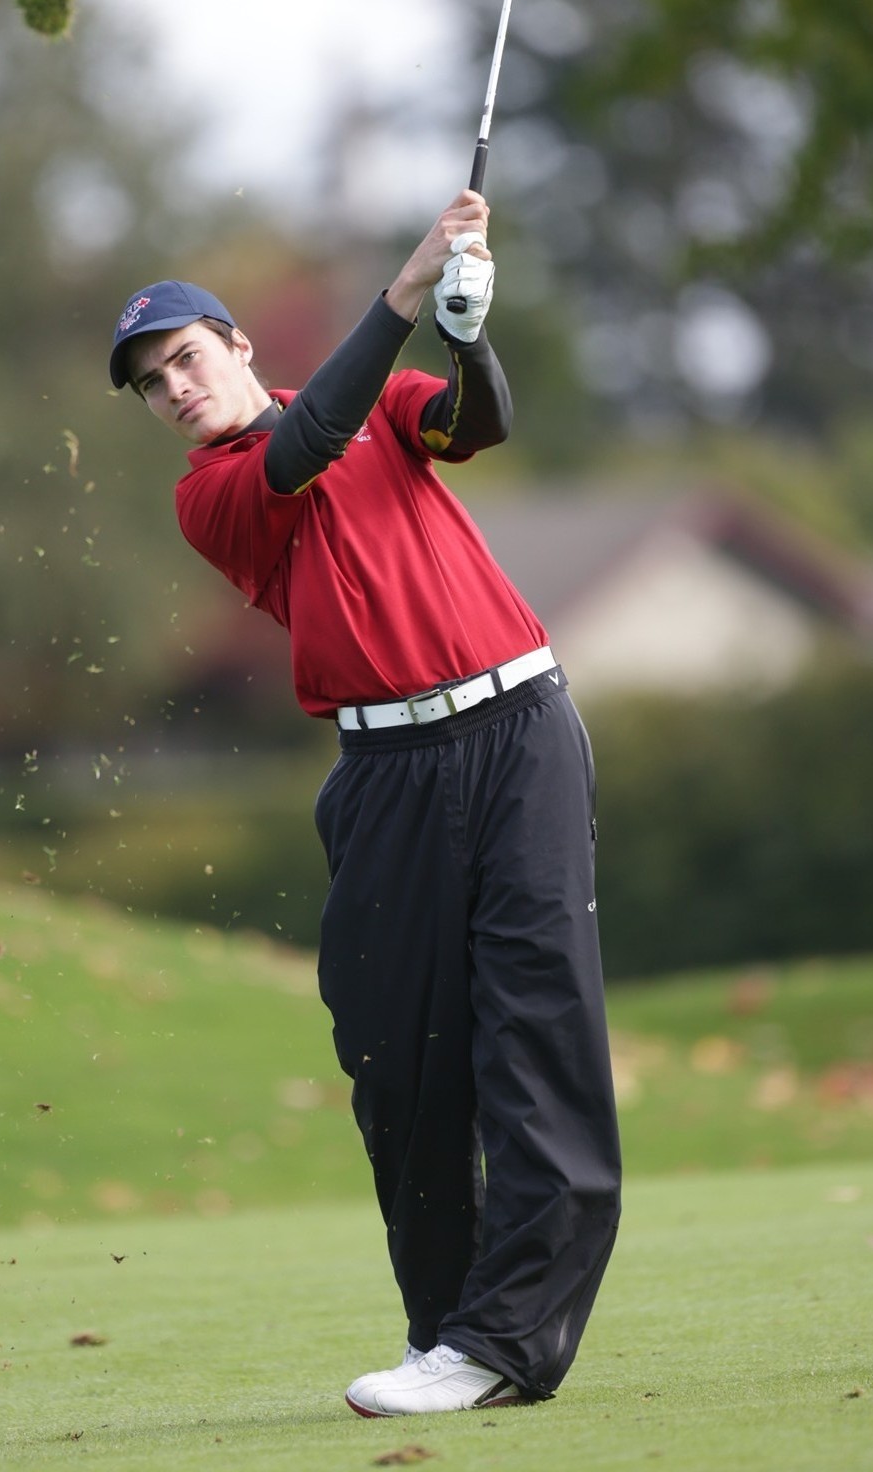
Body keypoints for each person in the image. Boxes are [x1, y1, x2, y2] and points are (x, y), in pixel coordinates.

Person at [108, 190, 622, 1416]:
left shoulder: (377, 402)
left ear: (238, 345)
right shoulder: (213, 496)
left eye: (185, 358)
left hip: (517, 730)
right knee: (399, 1057)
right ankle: (446, 1332)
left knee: (534, 1032)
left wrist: (462, 328)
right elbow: (303, 446)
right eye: (150, 385)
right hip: (384, 773)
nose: (175, 389)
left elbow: (470, 421)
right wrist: (398, 300)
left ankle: (502, 1340)